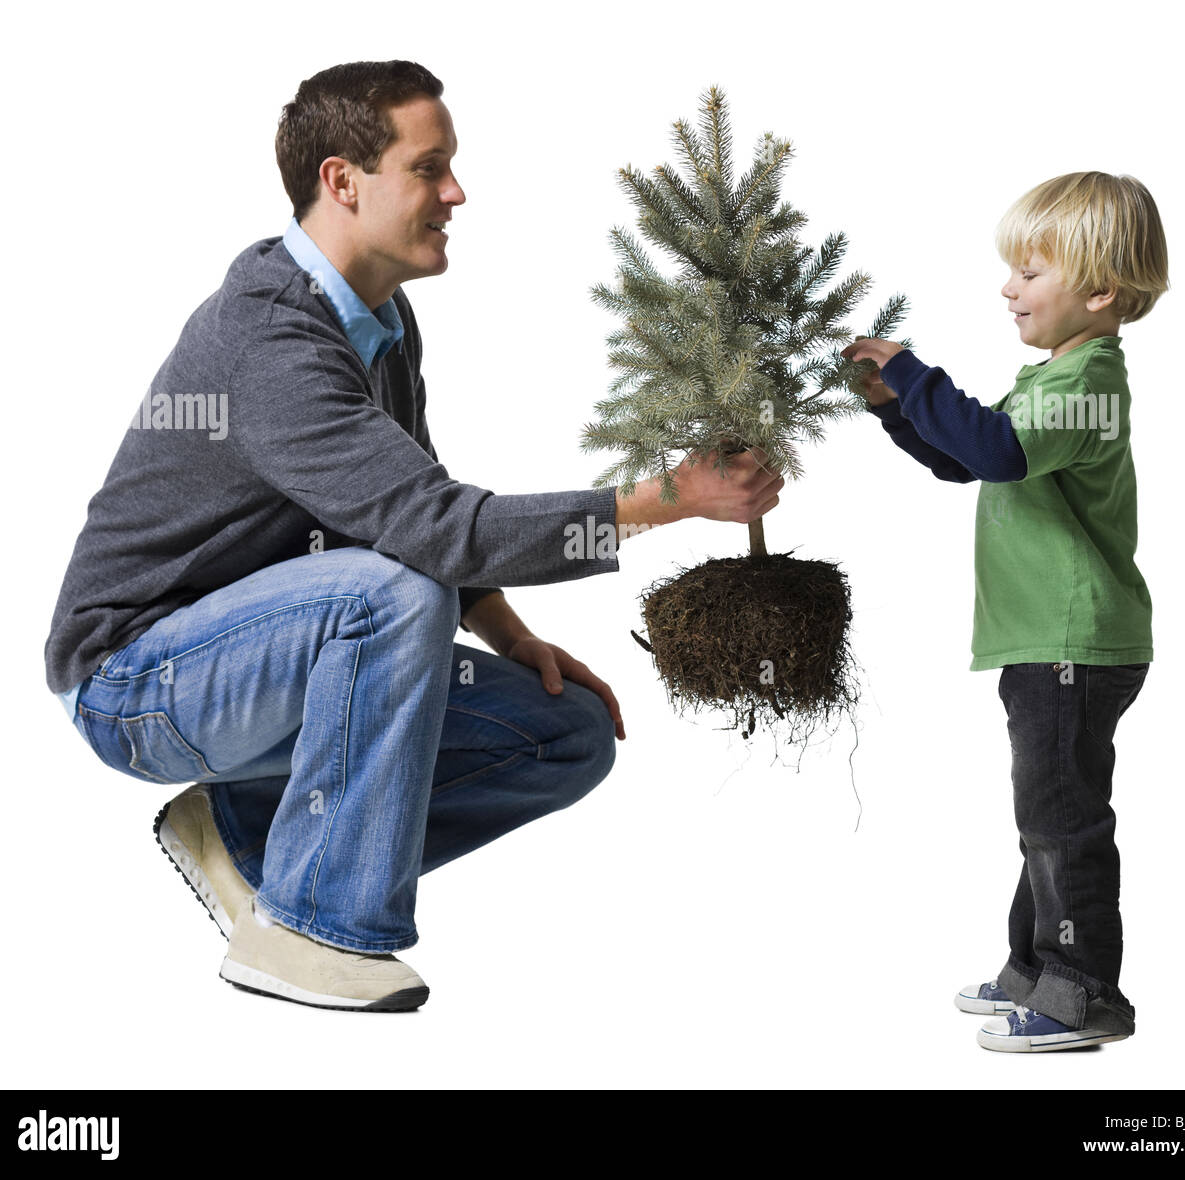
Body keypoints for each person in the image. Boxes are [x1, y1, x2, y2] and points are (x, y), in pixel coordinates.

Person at [44, 60, 784, 1012]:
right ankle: (311, 928)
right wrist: (668, 498)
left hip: (278, 654)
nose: (456, 192)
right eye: (430, 169)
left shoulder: (381, 320)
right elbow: (434, 533)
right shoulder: (271, 340)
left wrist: (513, 638)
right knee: (389, 592)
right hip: (140, 683)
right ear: (343, 180)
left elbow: (412, 506)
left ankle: (242, 839)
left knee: (567, 734)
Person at [843, 171, 1168, 1052]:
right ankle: (1032, 967)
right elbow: (968, 459)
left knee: (1062, 818)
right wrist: (897, 411)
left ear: (1100, 291)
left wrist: (911, 369)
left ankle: (1083, 990)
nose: (1008, 288)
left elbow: (996, 449)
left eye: (1030, 272)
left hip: (1073, 639)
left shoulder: (1090, 381)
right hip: (1045, 640)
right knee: (1046, 811)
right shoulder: (1052, 375)